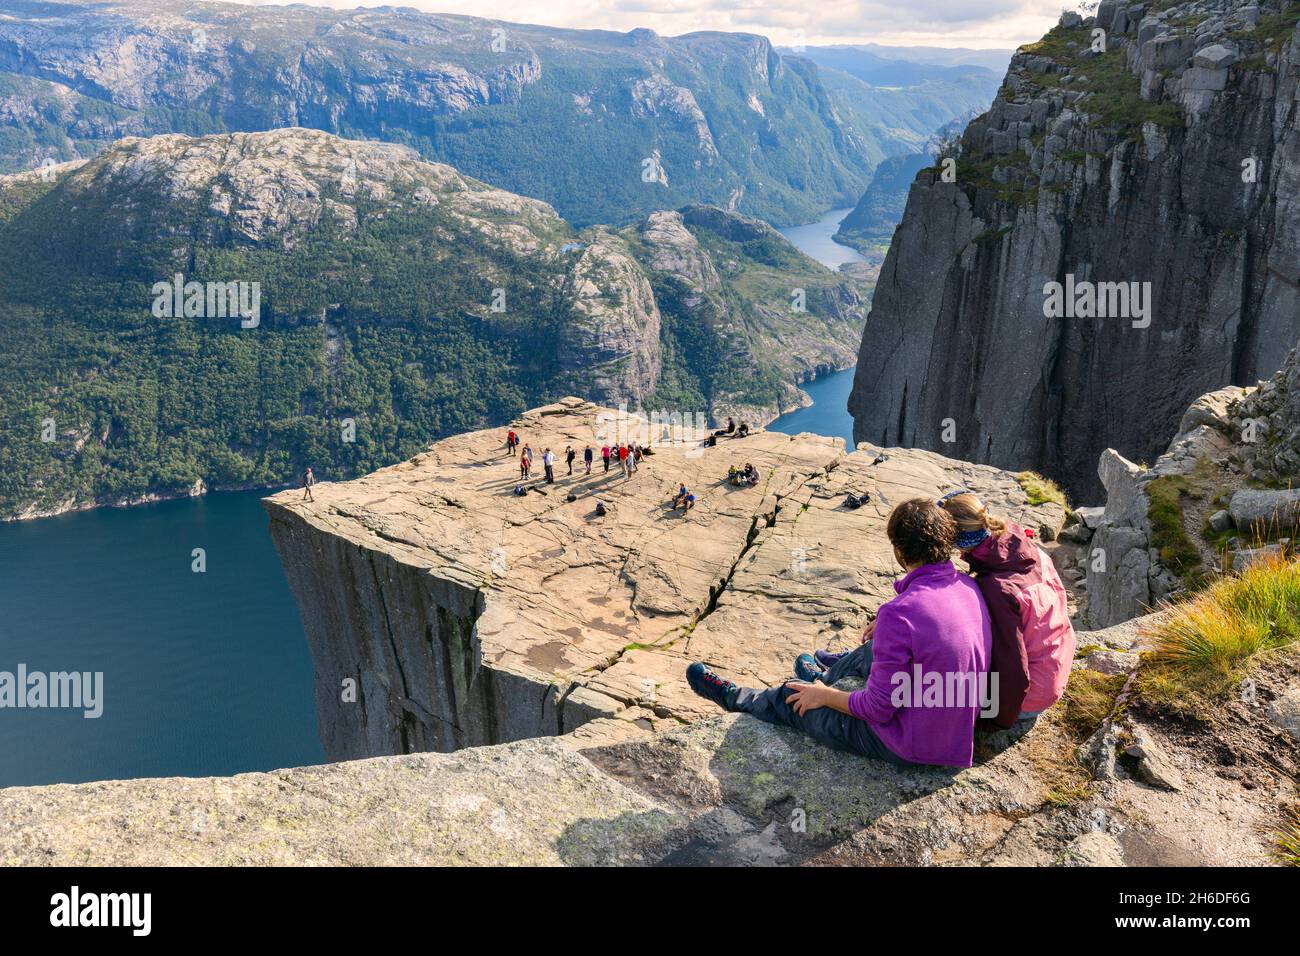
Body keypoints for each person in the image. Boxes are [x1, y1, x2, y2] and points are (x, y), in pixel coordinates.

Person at [686, 499, 993, 768]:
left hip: (910, 744)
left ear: (900, 551)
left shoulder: (900, 614)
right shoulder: (966, 587)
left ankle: (735, 697)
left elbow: (878, 709)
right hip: (954, 731)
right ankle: (824, 675)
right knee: (873, 649)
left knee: (790, 698)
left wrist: (826, 697)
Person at [938, 490, 1076, 728]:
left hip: (1032, 695)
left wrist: (993, 719)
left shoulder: (997, 588)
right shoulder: (1024, 547)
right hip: (1057, 664)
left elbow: (1011, 664)